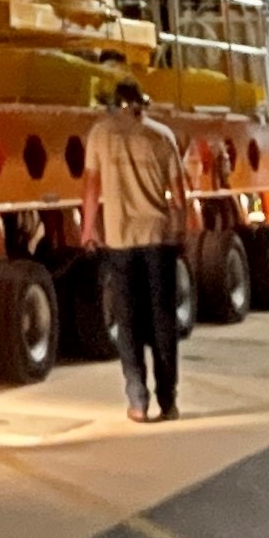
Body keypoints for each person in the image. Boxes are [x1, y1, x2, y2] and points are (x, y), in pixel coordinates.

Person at [91, 79, 189, 423]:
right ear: (141, 104)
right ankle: (169, 401)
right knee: (163, 321)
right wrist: (182, 230)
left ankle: (138, 401)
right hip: (158, 238)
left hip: (121, 241)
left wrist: (89, 226)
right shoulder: (162, 136)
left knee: (128, 322)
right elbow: (178, 194)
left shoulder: (101, 135)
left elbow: (91, 184)